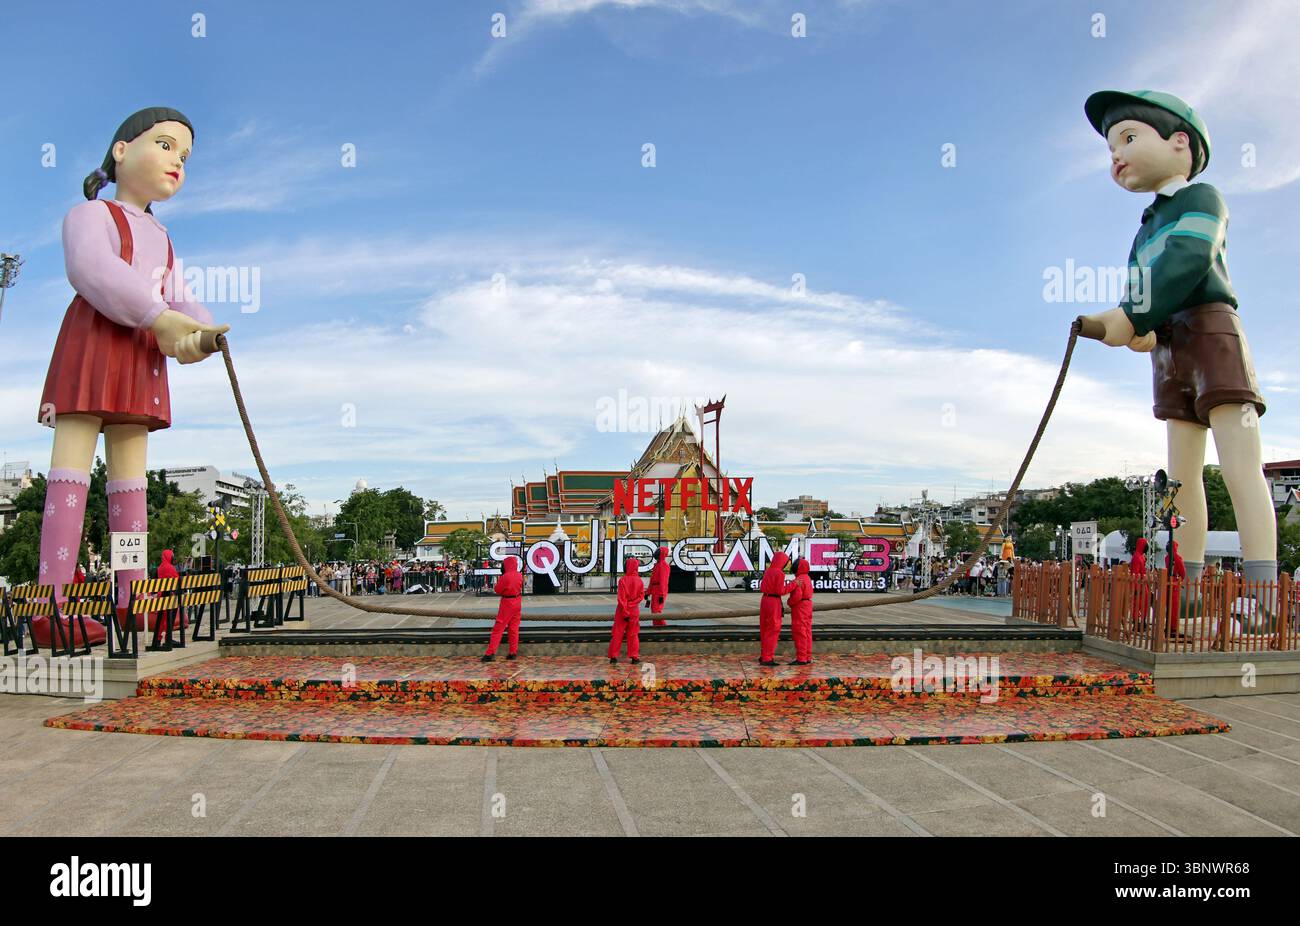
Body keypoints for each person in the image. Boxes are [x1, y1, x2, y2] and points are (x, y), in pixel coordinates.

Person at [30, 108, 228, 650]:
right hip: (96, 341)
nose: (176, 163)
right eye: (166, 146)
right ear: (121, 150)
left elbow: (181, 295)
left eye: (184, 157)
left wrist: (206, 333)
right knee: (69, 473)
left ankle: (132, 596)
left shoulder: (163, 238)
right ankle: (51, 606)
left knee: (131, 486)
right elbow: (93, 269)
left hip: (140, 352)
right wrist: (162, 319)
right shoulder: (90, 215)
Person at [1080, 89, 1276, 599]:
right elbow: (1141, 291)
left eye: (1127, 137)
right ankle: (1184, 591)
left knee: (1239, 464)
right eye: (1110, 149)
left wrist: (1129, 317)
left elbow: (1190, 257)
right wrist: (1137, 329)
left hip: (1213, 335)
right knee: (1182, 480)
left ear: (1179, 144)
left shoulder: (1201, 198)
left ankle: (1263, 595)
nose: (1116, 155)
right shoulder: (1143, 230)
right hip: (1170, 349)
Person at [482, 556, 523, 661]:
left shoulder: (505, 577)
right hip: (517, 601)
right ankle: (513, 652)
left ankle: (490, 653)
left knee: (498, 628)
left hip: (507, 603)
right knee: (514, 629)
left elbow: (497, 590)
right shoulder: (519, 575)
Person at [608, 556, 645, 664]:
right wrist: (632, 605)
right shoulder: (640, 581)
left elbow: (621, 598)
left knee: (618, 633)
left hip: (622, 611)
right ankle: (634, 656)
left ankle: (614, 656)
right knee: (633, 633)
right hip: (634, 611)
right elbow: (641, 596)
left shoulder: (622, 580)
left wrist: (625, 609)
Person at [757, 551, 791, 666]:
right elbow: (780, 591)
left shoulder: (768, 570)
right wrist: (793, 585)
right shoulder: (779, 573)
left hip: (764, 600)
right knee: (773, 629)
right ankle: (768, 658)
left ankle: (763, 655)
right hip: (774, 602)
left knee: (765, 628)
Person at [785, 557, 814, 665]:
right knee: (807, 631)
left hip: (800, 606)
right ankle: (807, 656)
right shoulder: (807, 577)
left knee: (799, 631)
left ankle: (801, 658)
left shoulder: (799, 580)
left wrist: (789, 602)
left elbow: (797, 596)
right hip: (808, 605)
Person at [1167, 539, 1187, 637]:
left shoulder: (1167, 557)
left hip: (1168, 582)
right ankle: (1173, 628)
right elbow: (1183, 572)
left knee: (1169, 606)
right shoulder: (1177, 558)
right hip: (1174, 583)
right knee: (1174, 607)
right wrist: (1180, 578)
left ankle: (1169, 625)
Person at [647, 546, 670, 627]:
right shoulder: (657, 565)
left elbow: (663, 581)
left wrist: (661, 595)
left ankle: (663, 627)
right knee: (654, 611)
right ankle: (657, 627)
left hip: (659, 591)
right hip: (655, 590)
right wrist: (648, 592)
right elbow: (652, 580)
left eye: (658, 552)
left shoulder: (664, 565)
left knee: (657, 611)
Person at [1130, 537, 1150, 625]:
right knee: (1137, 604)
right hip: (1139, 585)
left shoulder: (1141, 556)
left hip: (1142, 584)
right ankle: (1137, 622)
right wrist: (1136, 588)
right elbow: (1135, 573)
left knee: (1144, 604)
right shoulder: (1137, 557)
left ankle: (1142, 621)